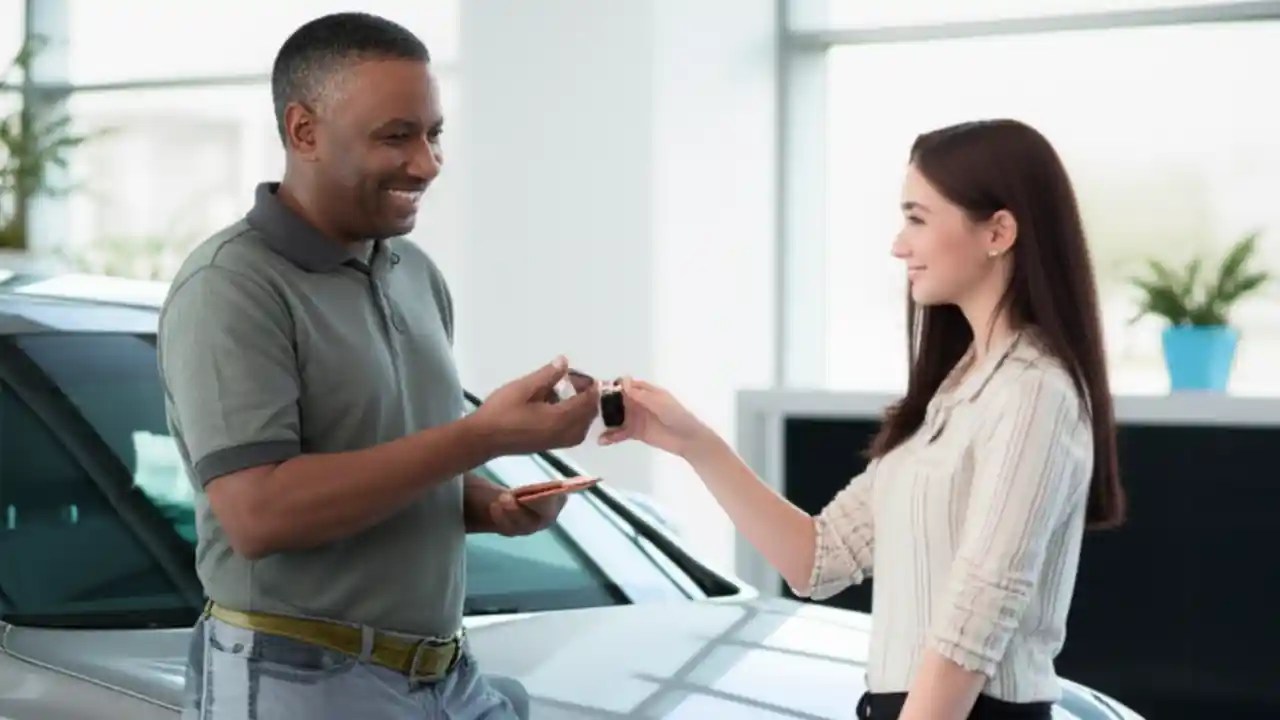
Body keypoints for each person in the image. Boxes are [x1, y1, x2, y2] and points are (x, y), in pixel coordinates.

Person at [600, 119, 1126, 720]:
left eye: (917, 218)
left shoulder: (1034, 392)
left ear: (998, 231)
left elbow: (982, 608)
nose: (899, 245)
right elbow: (817, 559)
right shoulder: (959, 388)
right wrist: (695, 443)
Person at [159, 12, 599, 720]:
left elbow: (384, 459)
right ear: (304, 132)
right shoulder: (229, 286)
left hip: (445, 675)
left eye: (433, 134)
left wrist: (486, 505)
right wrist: (482, 437)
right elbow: (260, 514)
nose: (427, 163)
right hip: (296, 682)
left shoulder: (413, 273)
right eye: (396, 136)